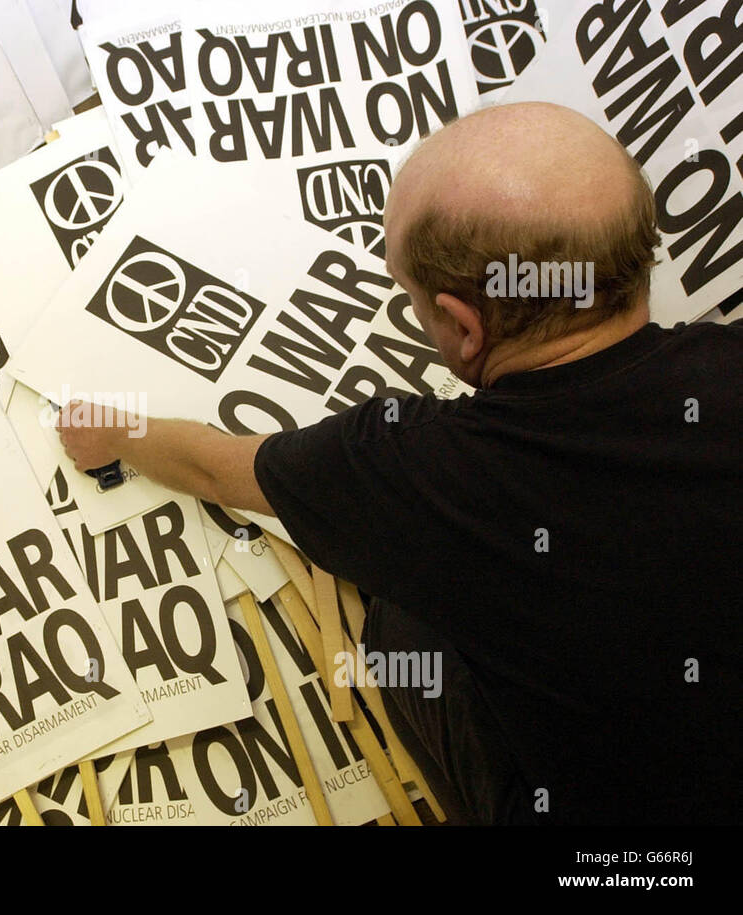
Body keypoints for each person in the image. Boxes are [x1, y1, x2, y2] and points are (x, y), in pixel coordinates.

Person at [55, 102, 741, 825]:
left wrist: (112, 432)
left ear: (463, 326)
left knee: (400, 626)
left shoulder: (414, 471)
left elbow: (210, 468)